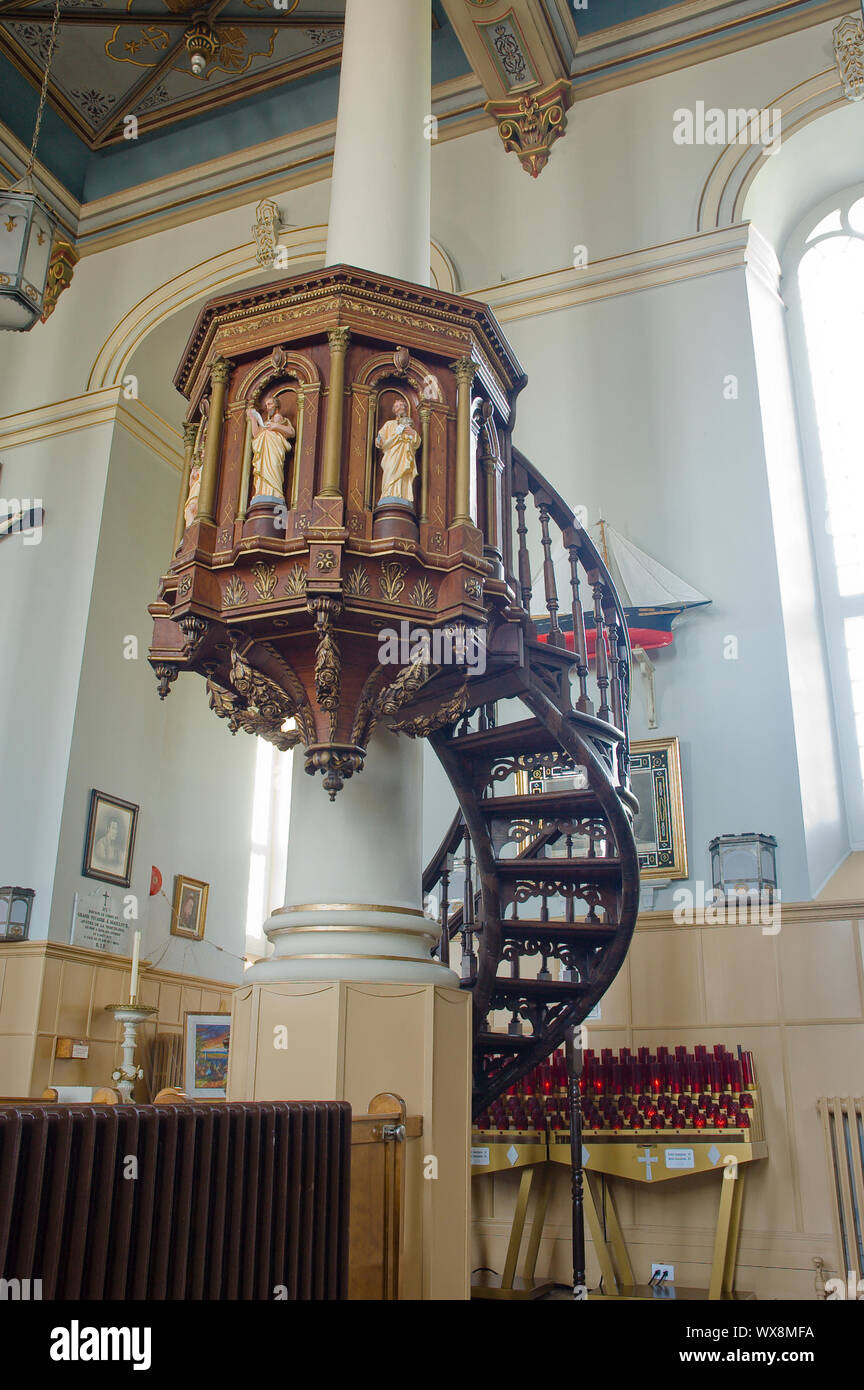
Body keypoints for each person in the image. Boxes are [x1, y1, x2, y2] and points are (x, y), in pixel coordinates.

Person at [246, 394, 295, 502]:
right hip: (264, 453)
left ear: (276, 405)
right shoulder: (267, 423)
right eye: (266, 405)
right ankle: (262, 492)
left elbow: (291, 432)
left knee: (274, 466)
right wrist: (253, 419)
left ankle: (276, 493)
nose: (267, 407)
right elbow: (256, 434)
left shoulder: (280, 419)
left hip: (274, 451)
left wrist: (276, 426)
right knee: (263, 470)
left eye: (270, 404)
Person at [376, 398, 420, 503]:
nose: (400, 407)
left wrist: (414, 434)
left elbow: (416, 443)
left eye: (402, 405)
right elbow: (380, 437)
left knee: (403, 473)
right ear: (394, 410)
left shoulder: (409, 425)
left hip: (404, 454)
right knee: (390, 473)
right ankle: (388, 494)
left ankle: (403, 495)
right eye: (397, 406)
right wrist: (378, 440)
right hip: (392, 455)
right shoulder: (389, 424)